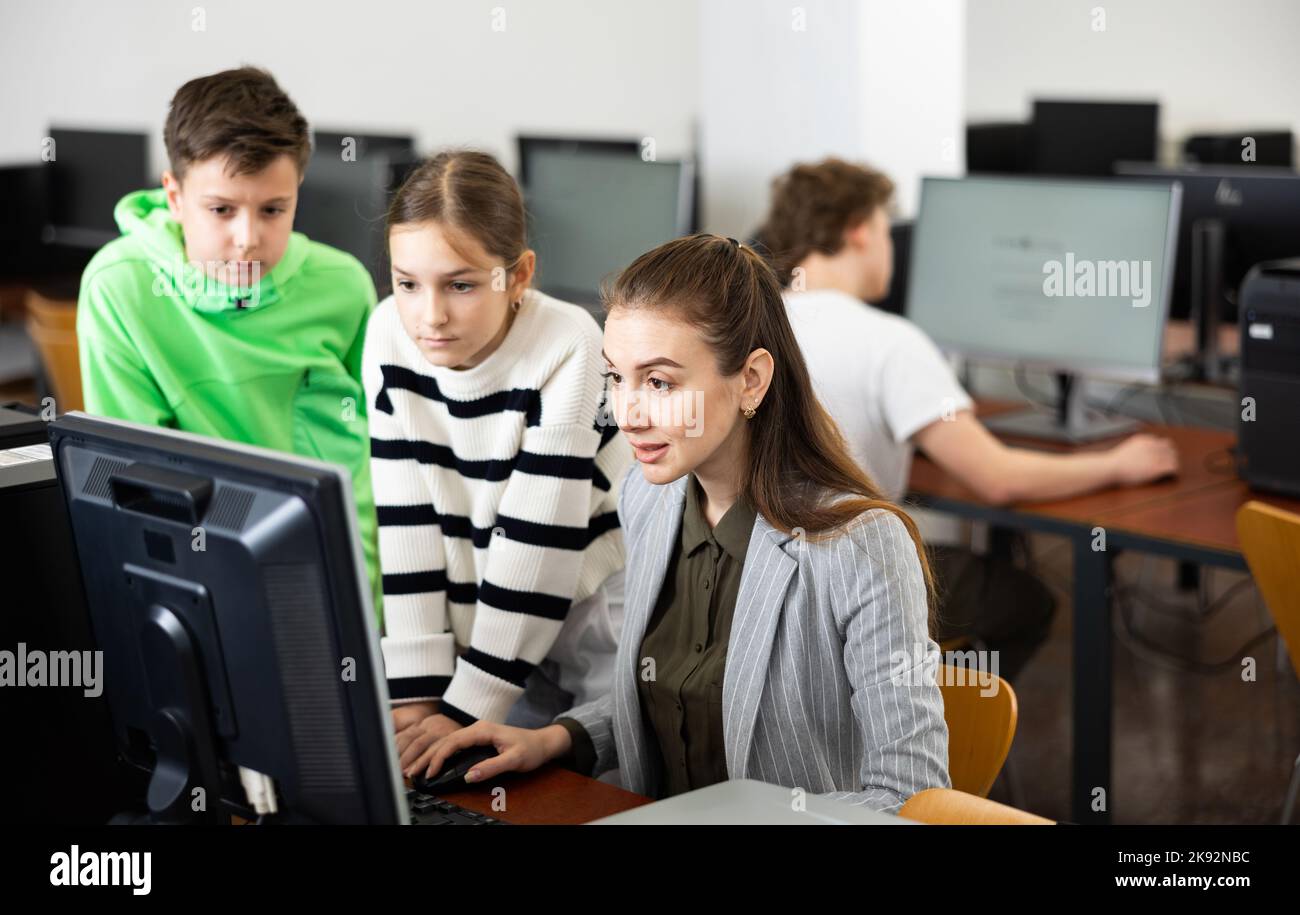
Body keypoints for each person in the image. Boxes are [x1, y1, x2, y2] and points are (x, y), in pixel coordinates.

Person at [408, 234, 950, 813]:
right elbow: (667, 689)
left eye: (660, 382)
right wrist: (556, 739)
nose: (627, 414)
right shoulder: (649, 496)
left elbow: (911, 795)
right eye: (617, 378)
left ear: (752, 380)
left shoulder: (862, 545)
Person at [755, 157, 1180, 679]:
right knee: (1025, 602)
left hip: (762, 585)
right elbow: (997, 479)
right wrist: (1118, 464)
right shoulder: (888, 340)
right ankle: (951, 741)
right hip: (851, 585)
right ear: (859, 231)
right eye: (889, 231)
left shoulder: (754, 325)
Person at [363, 151, 631, 773]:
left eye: (460, 284)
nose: (430, 315)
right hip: (492, 605)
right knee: (465, 774)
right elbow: (407, 525)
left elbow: (536, 548)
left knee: (594, 779)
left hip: (589, 600)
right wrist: (415, 697)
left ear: (519, 275)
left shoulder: (569, 344)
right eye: (408, 283)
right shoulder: (386, 336)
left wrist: (463, 710)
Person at [76, 66, 381, 603]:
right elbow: (134, 487)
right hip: (207, 587)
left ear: (298, 193)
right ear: (173, 195)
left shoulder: (345, 287)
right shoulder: (119, 288)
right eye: (221, 210)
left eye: (273, 209)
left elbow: (377, 460)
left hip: (351, 580)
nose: (248, 239)